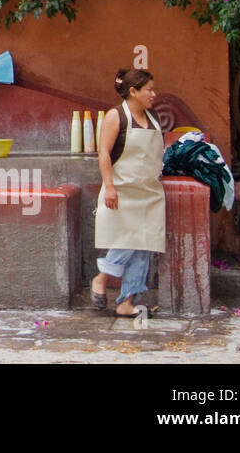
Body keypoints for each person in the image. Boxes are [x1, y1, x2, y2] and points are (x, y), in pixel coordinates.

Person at [91, 68, 166, 317]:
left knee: (143, 246)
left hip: (149, 192)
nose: (153, 94)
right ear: (133, 91)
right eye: (149, 90)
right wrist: (109, 187)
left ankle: (127, 302)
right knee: (128, 241)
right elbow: (104, 153)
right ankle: (101, 278)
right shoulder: (116, 116)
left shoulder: (152, 117)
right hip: (123, 191)